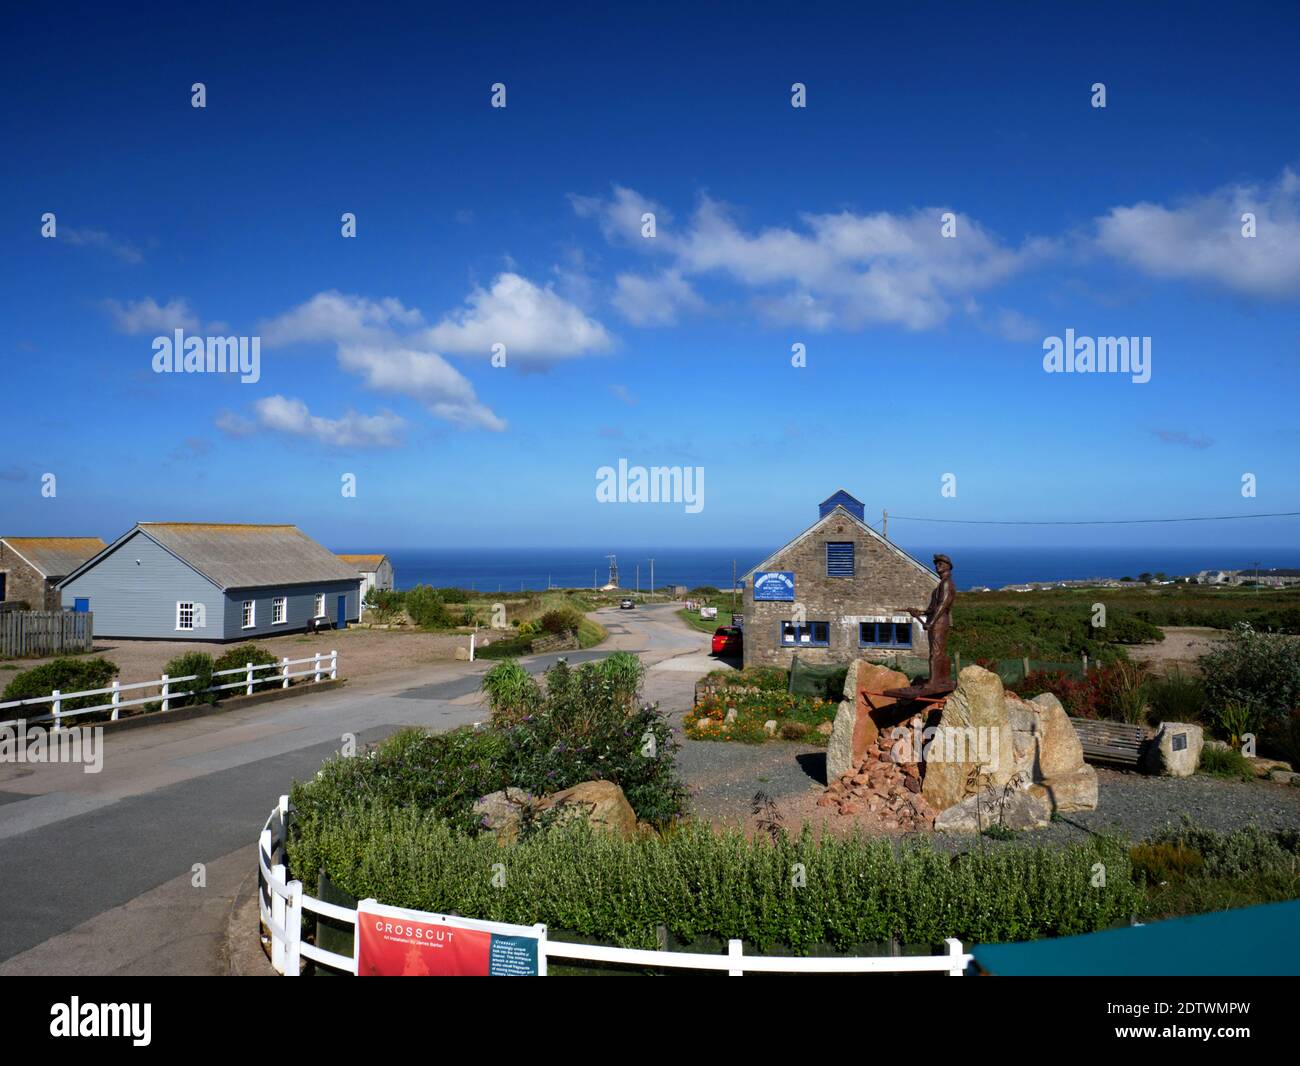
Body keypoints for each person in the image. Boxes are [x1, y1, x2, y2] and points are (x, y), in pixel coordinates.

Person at [906, 554, 956, 692]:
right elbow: (932, 609)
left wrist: (931, 622)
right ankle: (944, 678)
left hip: (939, 621)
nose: (937, 565)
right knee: (940, 651)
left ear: (948, 566)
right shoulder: (941, 584)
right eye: (936, 563)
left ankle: (934, 682)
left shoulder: (947, 584)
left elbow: (943, 605)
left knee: (935, 652)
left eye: (941, 563)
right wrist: (918, 613)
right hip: (937, 620)